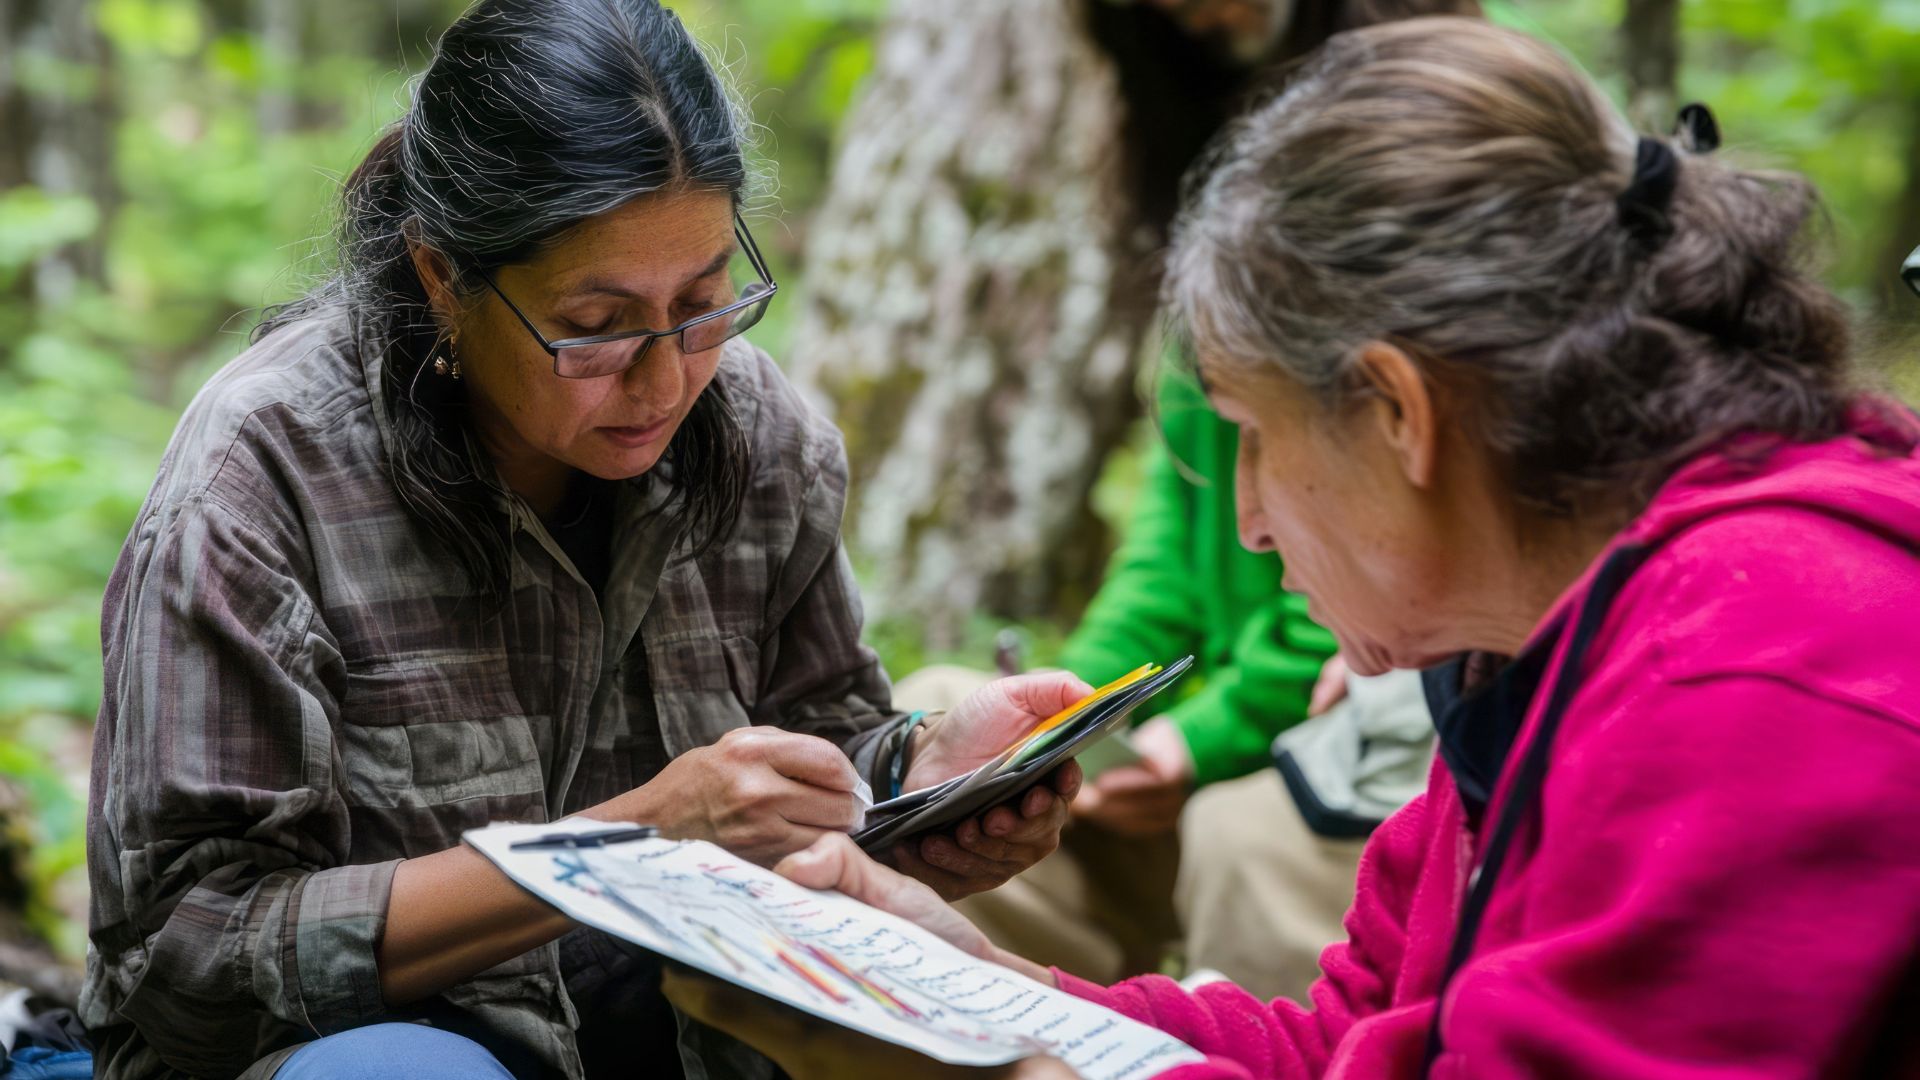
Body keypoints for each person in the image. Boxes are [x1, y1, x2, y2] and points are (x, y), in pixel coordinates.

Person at [664, 17, 1920, 1078]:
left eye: (1253, 438)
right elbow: (1342, 1045)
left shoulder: (1752, 673)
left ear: (1397, 414)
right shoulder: (1532, 647)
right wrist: (976, 982)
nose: (1252, 522)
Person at [79, 3, 1086, 1078]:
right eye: (596, 328)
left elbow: (817, 747)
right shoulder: (264, 477)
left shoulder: (757, 435)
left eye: (703, 304)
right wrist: (634, 843)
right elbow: (185, 956)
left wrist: (921, 776)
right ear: (441, 277)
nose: (664, 383)